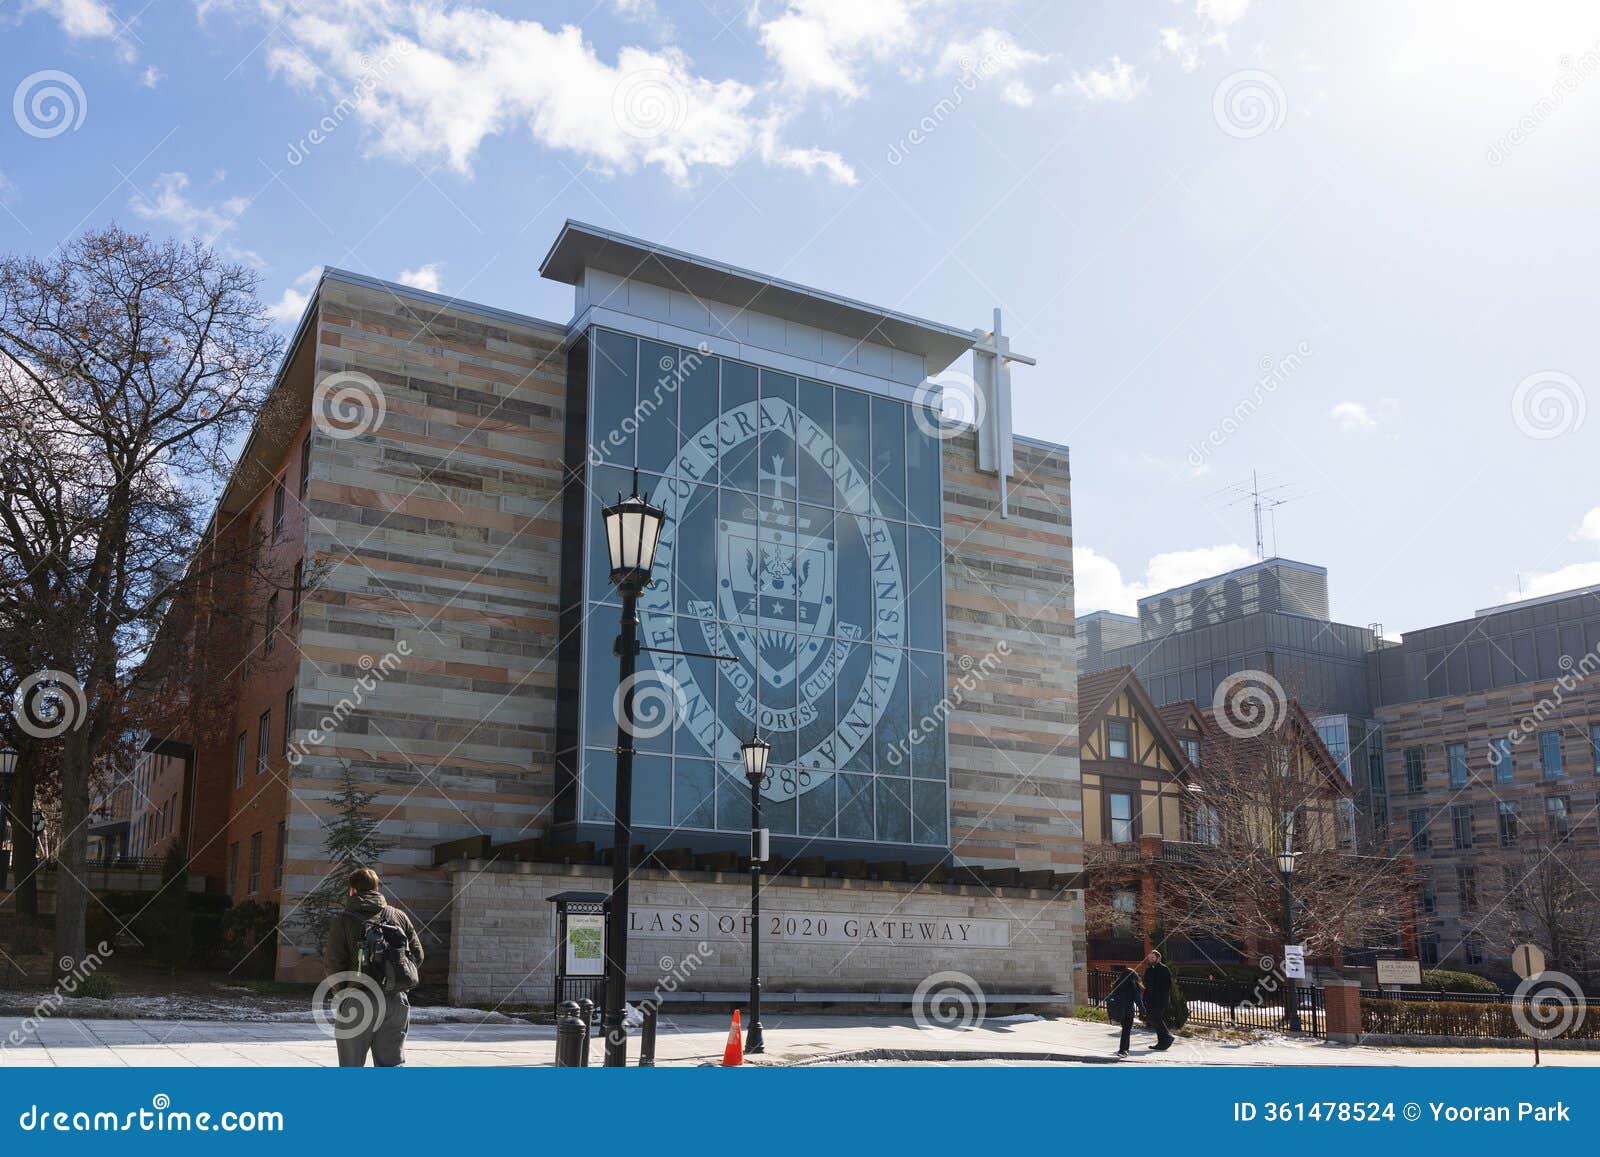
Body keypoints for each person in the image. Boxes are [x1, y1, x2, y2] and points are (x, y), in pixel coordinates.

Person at [323, 867, 424, 1067]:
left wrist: (343, 995)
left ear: (352, 890)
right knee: (391, 1066)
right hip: (395, 1001)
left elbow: (334, 963)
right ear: (377, 889)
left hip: (359, 999)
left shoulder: (343, 920)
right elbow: (418, 955)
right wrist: (395, 979)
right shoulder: (398, 916)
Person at [1106, 965, 1145, 1057]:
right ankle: (1123, 1050)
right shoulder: (1132, 985)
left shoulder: (1117, 984)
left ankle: (1124, 1049)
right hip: (1128, 1012)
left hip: (1120, 1011)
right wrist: (1143, 1010)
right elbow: (1137, 999)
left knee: (1125, 1030)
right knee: (1126, 1032)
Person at [1141, 950, 1175, 1051]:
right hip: (1150, 999)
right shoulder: (1149, 970)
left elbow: (1167, 986)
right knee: (1153, 1019)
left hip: (1160, 999)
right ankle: (1162, 1042)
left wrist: (1162, 998)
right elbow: (1146, 985)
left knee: (1156, 1018)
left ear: (1157, 958)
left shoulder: (1164, 969)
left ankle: (1168, 1037)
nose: (1150, 959)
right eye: (1149, 957)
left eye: (1152, 957)